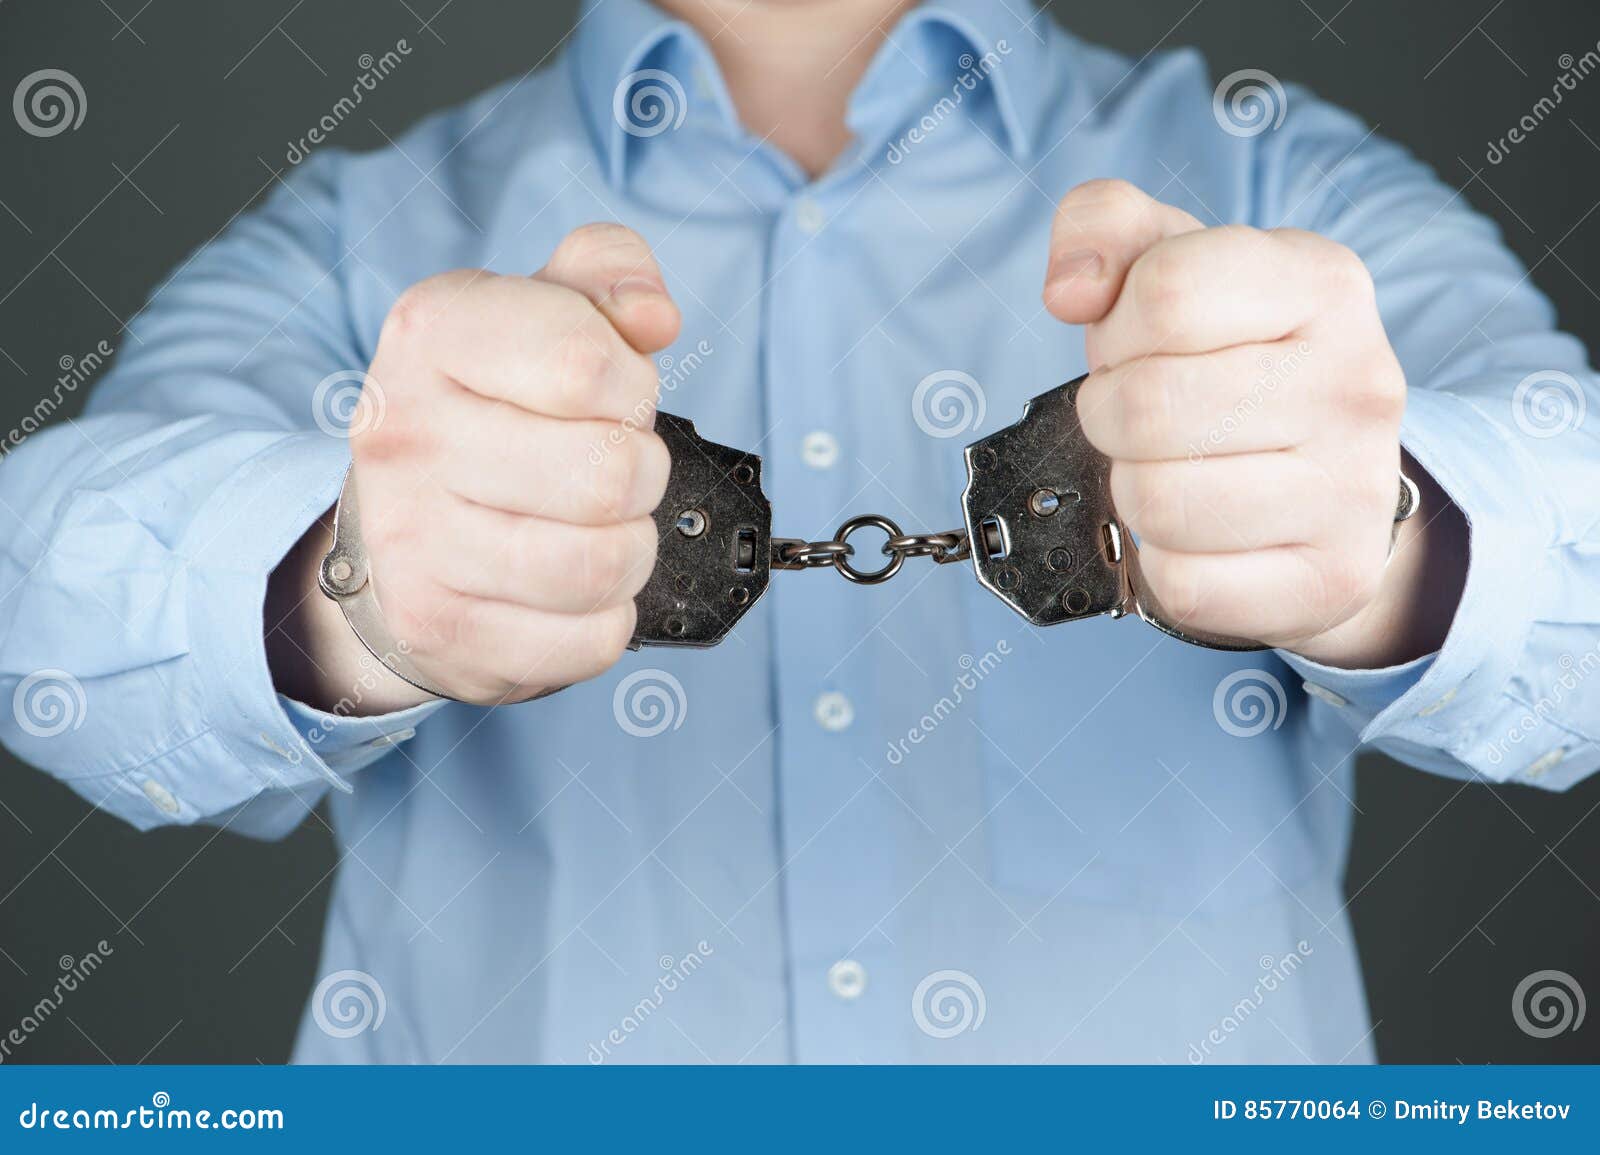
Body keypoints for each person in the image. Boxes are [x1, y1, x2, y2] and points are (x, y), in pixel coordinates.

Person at [1, 0, 1594, 1064]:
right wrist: (340, 587)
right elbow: (44, 613)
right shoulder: (361, 237)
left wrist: (1394, 536)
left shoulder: (1275, 175)